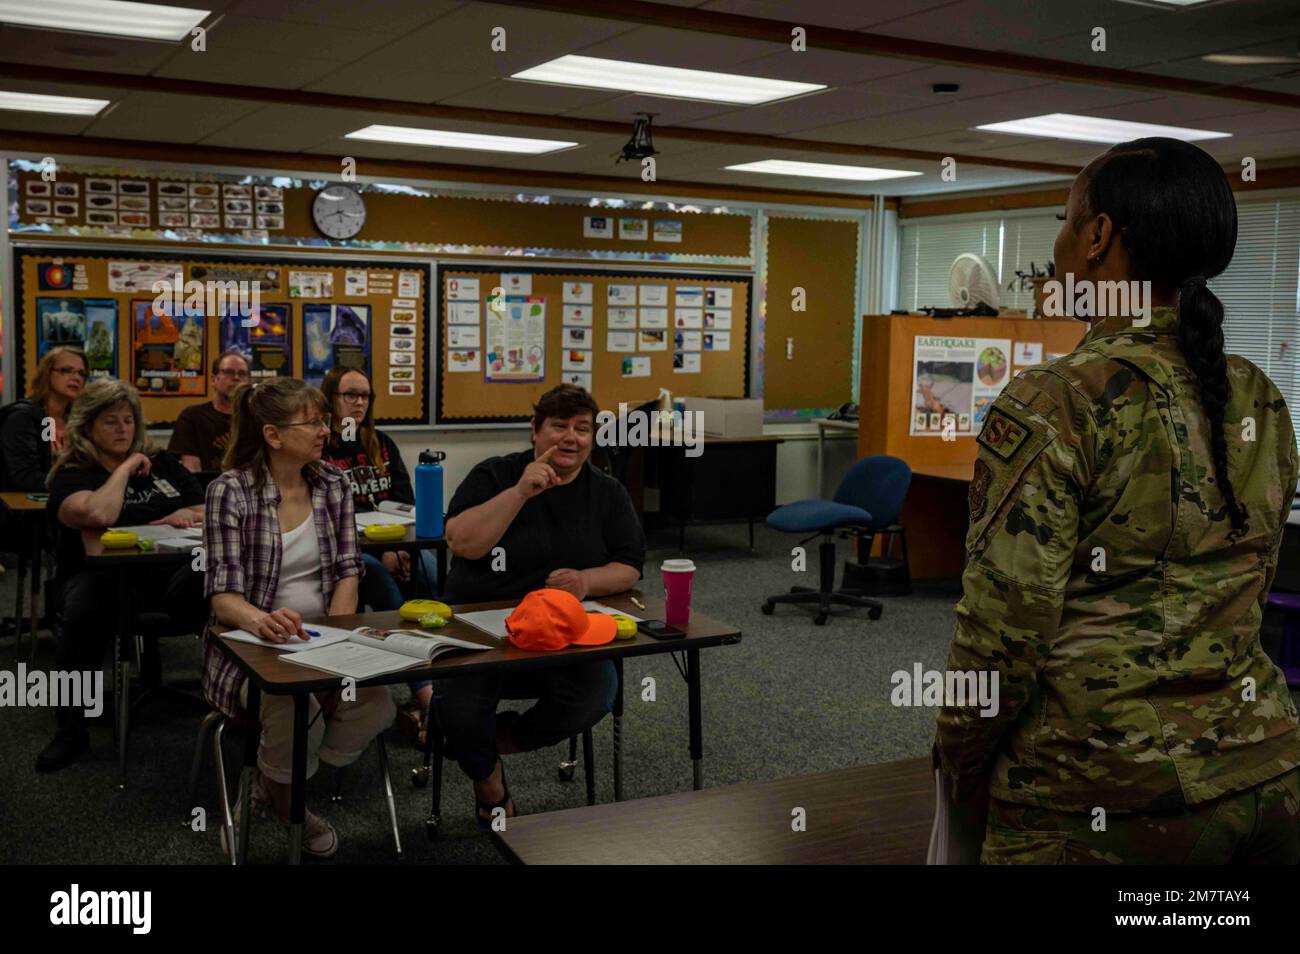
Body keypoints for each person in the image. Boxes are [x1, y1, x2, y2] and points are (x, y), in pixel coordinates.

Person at [935, 137, 1300, 865]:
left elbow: (1004, 630)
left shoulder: (1056, 399)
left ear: (1100, 237)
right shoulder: (1256, 393)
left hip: (1098, 796)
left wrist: (960, 761)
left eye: (1068, 221)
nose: (1060, 245)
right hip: (1262, 774)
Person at [202, 378, 395, 858]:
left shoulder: (332, 483)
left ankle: (271, 782)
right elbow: (224, 600)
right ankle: (294, 808)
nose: (324, 430)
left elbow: (350, 572)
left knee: (376, 697)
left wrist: (336, 642)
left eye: (324, 420)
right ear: (272, 435)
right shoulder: (230, 491)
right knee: (294, 702)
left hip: (323, 636)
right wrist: (261, 621)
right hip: (250, 644)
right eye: (312, 422)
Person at [437, 384, 645, 824]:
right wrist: (519, 493)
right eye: (559, 427)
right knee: (457, 710)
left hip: (561, 631)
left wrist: (587, 580)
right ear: (535, 431)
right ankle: (490, 785)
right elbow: (461, 542)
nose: (571, 438)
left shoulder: (606, 492)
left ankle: (498, 741)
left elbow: (629, 566)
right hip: (483, 628)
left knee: (597, 694)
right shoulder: (494, 475)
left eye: (583, 429)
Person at [38, 378, 204, 772]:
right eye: (111, 421)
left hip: (168, 575)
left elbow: (207, 506)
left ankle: (240, 706)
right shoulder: (75, 472)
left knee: (227, 590)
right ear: (88, 426)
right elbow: (99, 514)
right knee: (85, 610)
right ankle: (71, 729)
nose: (122, 430)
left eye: (128, 421)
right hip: (99, 578)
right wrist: (127, 467)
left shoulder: (163, 464)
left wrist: (181, 514)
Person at [0, 346, 87, 492]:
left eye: (81, 373)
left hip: (69, 504)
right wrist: (78, 485)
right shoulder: (22, 418)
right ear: (47, 374)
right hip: (24, 508)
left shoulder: (78, 420)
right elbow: (25, 478)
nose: (76, 377)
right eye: (66, 370)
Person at [168, 349, 250, 473]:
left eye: (242, 373)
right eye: (229, 372)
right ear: (213, 379)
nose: (236, 377)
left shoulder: (256, 417)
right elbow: (192, 471)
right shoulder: (192, 417)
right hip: (207, 488)